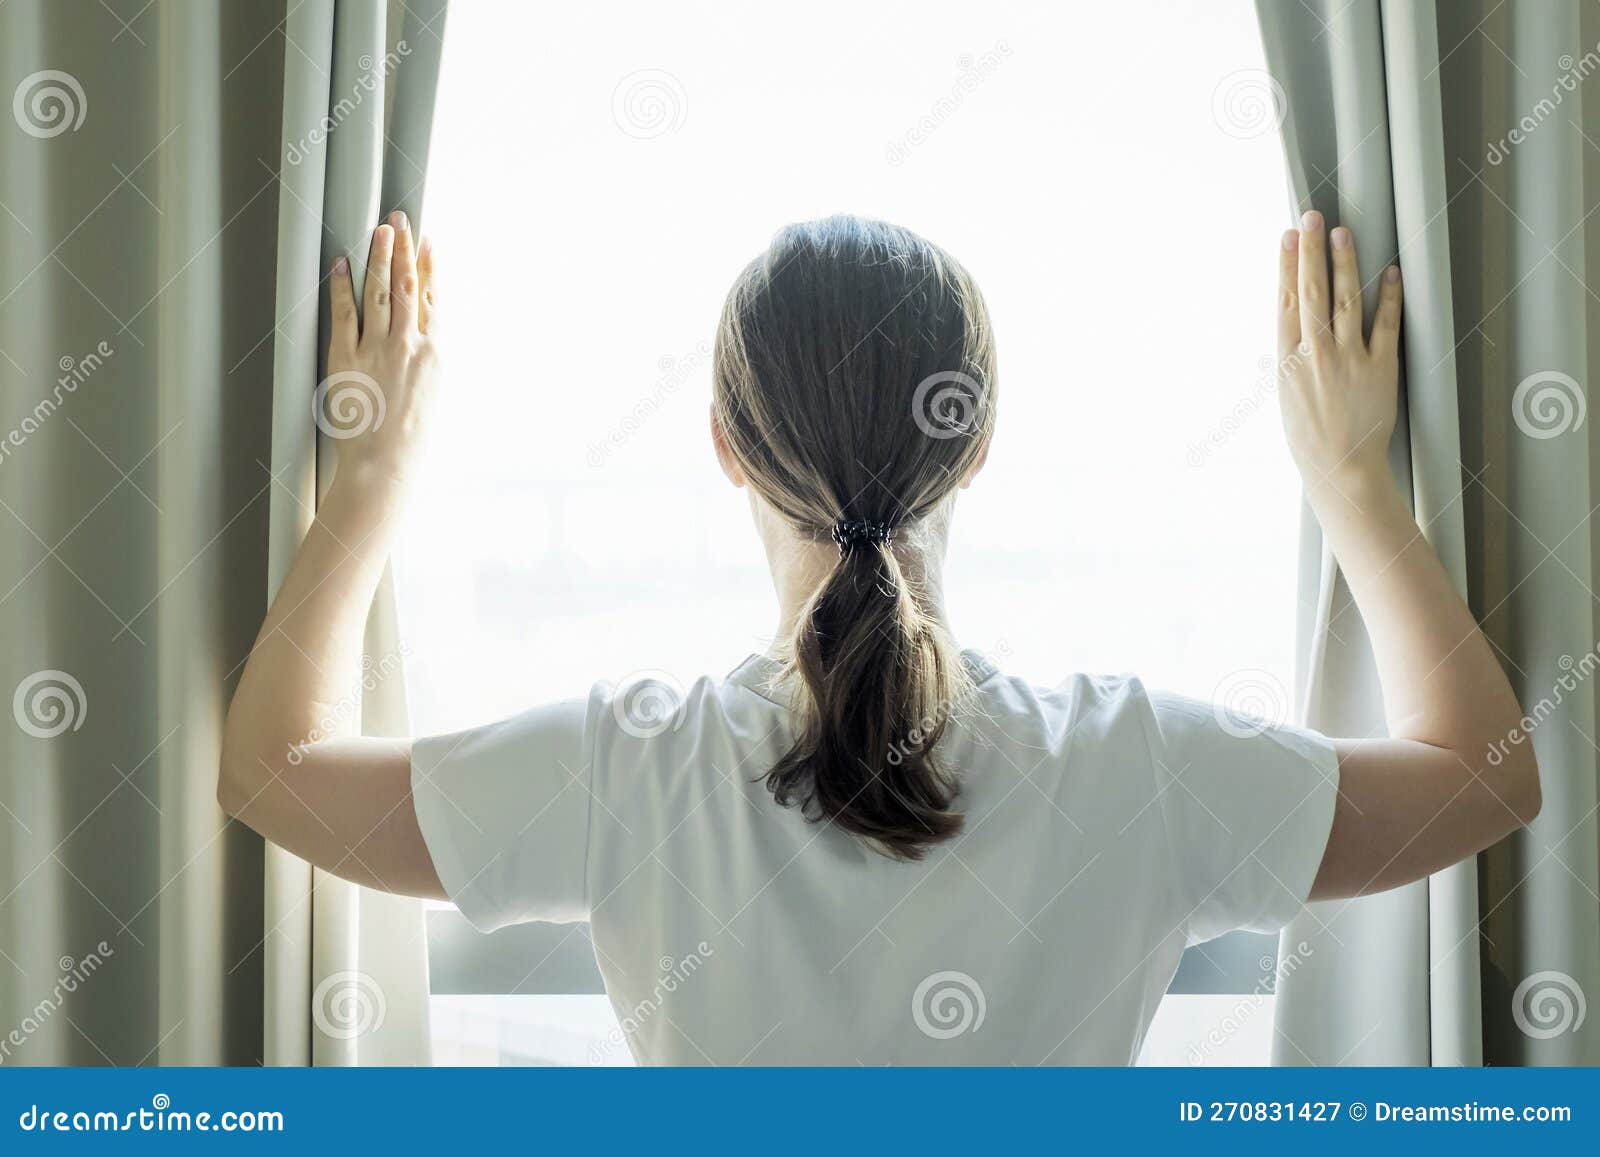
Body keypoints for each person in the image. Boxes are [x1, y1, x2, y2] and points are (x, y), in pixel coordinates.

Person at [219, 209, 1539, 1064]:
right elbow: (1491, 776)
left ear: (726, 447)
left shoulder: (631, 768)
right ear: (979, 448)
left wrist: (367, 492)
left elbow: (267, 773)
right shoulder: (1138, 759)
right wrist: (1358, 480)